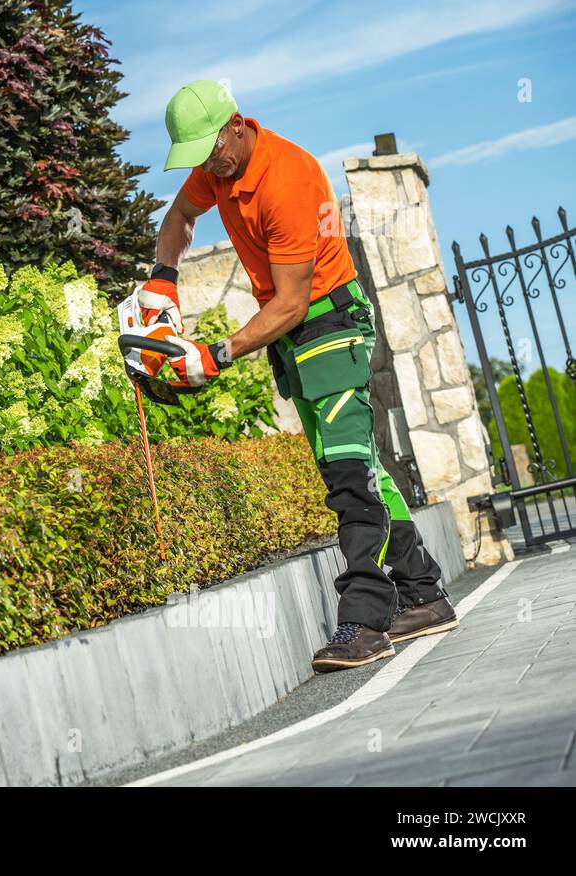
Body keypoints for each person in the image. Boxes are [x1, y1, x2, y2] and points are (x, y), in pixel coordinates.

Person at [140, 79, 458, 673]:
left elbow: (288, 302)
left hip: (328, 321)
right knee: (353, 465)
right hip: (295, 334)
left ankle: (364, 621)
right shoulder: (217, 171)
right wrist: (163, 275)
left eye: (214, 150)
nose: (210, 164)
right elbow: (179, 216)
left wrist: (215, 354)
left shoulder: (287, 178)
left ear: (237, 123)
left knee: (347, 474)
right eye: (199, 157)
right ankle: (424, 594)